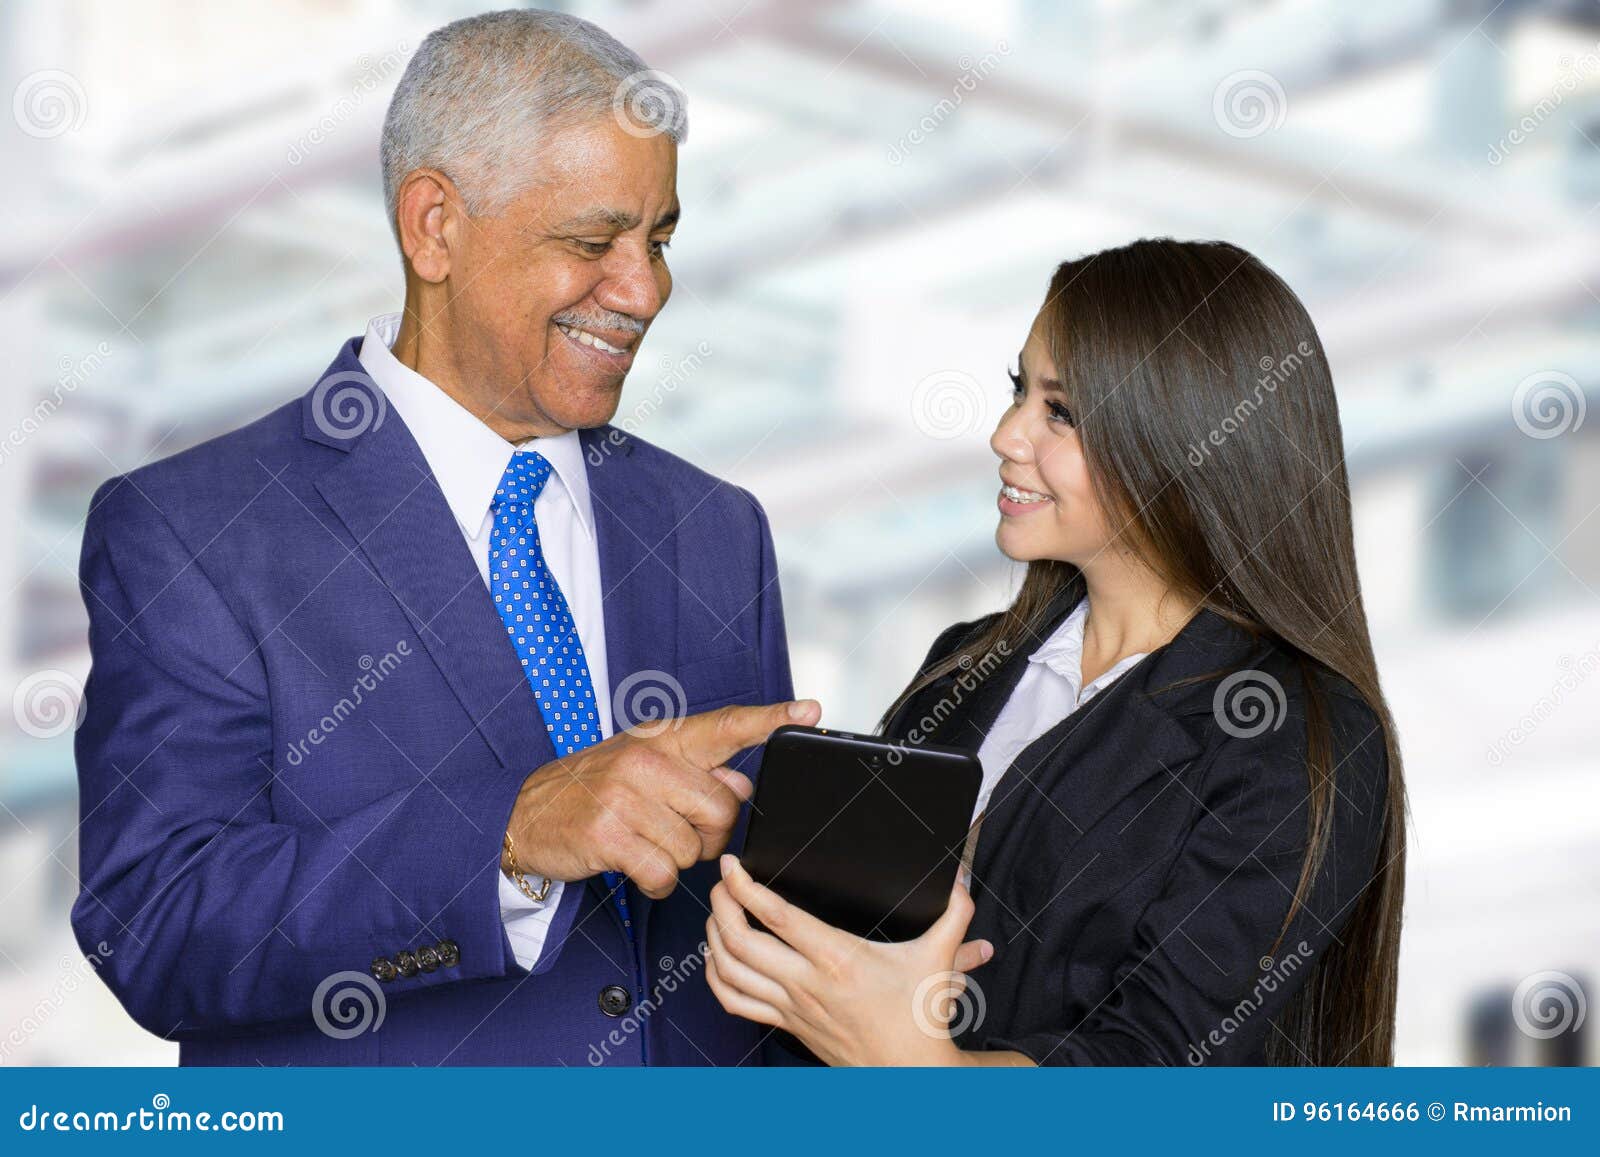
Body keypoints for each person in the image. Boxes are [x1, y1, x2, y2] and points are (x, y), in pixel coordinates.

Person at [70, 9, 816, 1067]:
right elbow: (156, 926)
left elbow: (751, 925)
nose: (646, 289)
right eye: (592, 242)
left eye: (658, 240)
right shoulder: (195, 531)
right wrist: (509, 835)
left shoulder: (712, 526)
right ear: (434, 227)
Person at [703, 238, 1406, 1066]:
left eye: (1060, 412)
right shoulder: (967, 662)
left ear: (1184, 440)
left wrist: (913, 1062)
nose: (1006, 435)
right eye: (1019, 391)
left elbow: (1159, 1066)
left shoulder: (1301, 736)